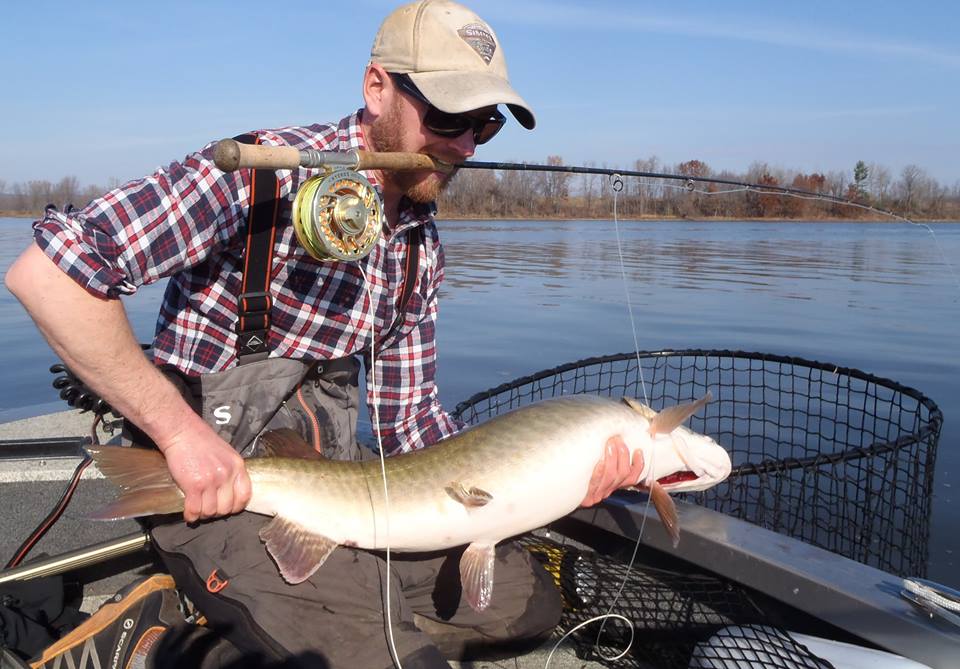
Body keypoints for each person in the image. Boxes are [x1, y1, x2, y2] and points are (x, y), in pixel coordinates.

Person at [6, 1, 644, 667]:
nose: (463, 146)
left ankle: (312, 619)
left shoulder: (419, 244)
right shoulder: (259, 175)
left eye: (484, 125)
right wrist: (179, 435)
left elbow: (410, 423)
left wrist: (561, 475)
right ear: (376, 87)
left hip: (338, 487)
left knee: (526, 604)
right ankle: (155, 642)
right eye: (449, 115)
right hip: (207, 493)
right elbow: (48, 273)